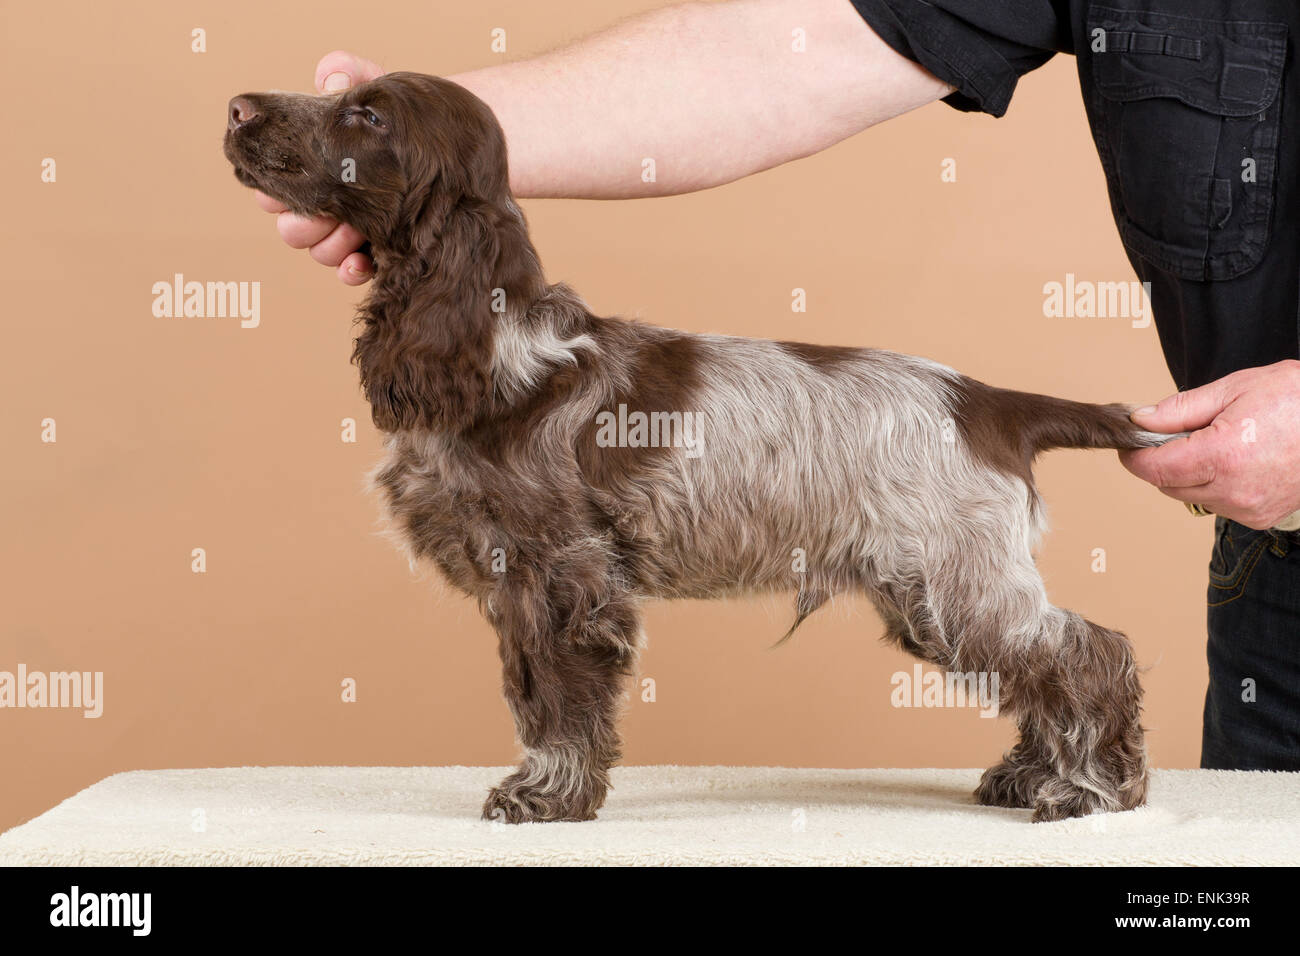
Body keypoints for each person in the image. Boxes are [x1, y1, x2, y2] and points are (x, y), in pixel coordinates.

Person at [246, 0, 1300, 771]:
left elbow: (571, 603)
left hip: (911, 439)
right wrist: (445, 126)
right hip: (1276, 611)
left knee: (970, 614)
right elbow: (785, 53)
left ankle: (1085, 698)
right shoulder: (506, 368)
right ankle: (1072, 734)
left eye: (364, 126)